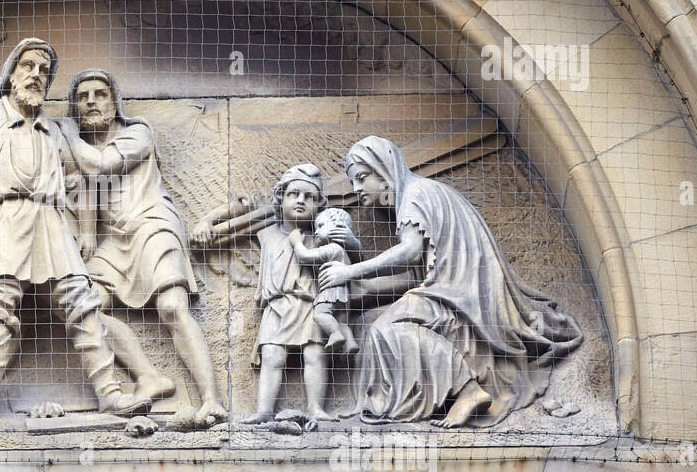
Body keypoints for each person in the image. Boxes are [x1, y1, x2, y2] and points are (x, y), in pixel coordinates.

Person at [0, 39, 143, 428]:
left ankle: (110, 394)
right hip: (5, 217)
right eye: (28, 67)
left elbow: (76, 182)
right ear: (11, 73)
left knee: (81, 304)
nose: (36, 76)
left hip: (50, 222)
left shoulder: (54, 130)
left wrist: (84, 231)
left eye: (43, 71)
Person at [318, 136, 584, 428]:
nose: (356, 189)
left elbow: (410, 252)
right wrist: (364, 290)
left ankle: (468, 390)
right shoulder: (425, 194)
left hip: (457, 299)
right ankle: (384, 402)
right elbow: (415, 276)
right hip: (451, 293)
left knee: (384, 330)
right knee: (371, 322)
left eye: (361, 177)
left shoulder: (415, 194)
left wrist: (350, 273)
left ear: (383, 170)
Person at [55, 68, 228, 428]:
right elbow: (85, 190)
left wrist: (67, 130)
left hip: (152, 225)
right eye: (82, 96)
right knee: (83, 309)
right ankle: (149, 376)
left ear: (115, 101)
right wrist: (86, 235)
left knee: (172, 307)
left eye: (99, 93)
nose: (90, 101)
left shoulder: (138, 132)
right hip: (114, 242)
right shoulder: (81, 149)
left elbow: (100, 167)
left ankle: (211, 400)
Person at [246, 164, 352, 425]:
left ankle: (316, 407)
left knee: (315, 355)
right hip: (277, 305)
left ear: (319, 205)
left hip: (310, 306)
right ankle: (264, 411)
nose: (302, 201)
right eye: (294, 194)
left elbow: (348, 265)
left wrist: (348, 241)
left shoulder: (323, 238)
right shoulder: (267, 234)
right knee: (272, 356)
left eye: (310, 197)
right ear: (281, 198)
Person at [290, 206, 361, 355]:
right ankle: (350, 343)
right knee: (342, 322)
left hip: (330, 292)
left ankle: (335, 334)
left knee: (320, 314)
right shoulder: (345, 252)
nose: (316, 231)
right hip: (344, 296)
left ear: (338, 227)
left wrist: (296, 242)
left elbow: (305, 257)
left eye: (321, 226)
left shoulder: (332, 248)